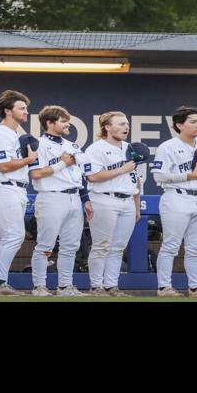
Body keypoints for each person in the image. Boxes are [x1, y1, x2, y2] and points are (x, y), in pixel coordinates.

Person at [151, 106, 197, 298]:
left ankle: (195, 288)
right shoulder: (168, 146)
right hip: (177, 197)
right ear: (179, 125)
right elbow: (159, 175)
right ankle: (164, 288)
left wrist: (195, 177)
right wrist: (190, 175)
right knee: (171, 245)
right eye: (193, 121)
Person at [81, 111, 145, 296]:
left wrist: (136, 204)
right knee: (102, 245)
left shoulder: (131, 148)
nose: (126, 127)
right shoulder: (96, 148)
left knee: (118, 247)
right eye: (121, 123)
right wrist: (122, 169)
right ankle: (96, 286)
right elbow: (92, 176)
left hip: (128, 201)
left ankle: (111, 286)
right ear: (107, 127)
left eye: (126, 124)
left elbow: (136, 179)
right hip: (104, 199)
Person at [0, 89, 35, 296]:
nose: (26, 112)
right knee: (15, 235)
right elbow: (3, 166)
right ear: (8, 111)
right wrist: (29, 160)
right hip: (3, 187)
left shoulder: (12, 133)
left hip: (11, 188)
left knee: (3, 238)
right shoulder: (0, 133)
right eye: (22, 108)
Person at [27, 105, 86, 297]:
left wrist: (85, 200)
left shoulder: (72, 146)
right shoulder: (38, 144)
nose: (67, 124)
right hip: (51, 196)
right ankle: (39, 286)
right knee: (45, 245)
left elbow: (80, 175)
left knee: (71, 245)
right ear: (49, 123)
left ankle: (65, 286)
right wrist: (62, 163)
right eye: (63, 120)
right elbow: (35, 173)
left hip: (74, 197)